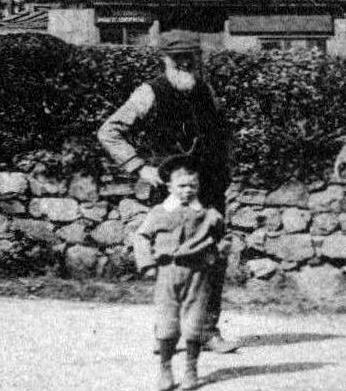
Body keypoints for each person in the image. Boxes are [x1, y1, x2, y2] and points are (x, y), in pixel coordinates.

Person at [99, 29, 240, 353]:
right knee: (170, 263)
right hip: (170, 196)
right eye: (178, 58)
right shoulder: (149, 93)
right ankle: (166, 334)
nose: (186, 63)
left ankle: (207, 330)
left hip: (208, 192)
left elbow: (222, 135)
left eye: (192, 57)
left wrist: (223, 172)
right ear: (165, 60)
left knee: (212, 259)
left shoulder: (207, 91)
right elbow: (109, 132)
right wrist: (138, 166)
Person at [131, 162, 226, 391]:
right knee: (167, 322)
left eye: (193, 186)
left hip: (197, 275)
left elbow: (223, 238)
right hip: (167, 273)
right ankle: (165, 369)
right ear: (170, 187)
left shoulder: (207, 214)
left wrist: (215, 254)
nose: (187, 190)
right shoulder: (159, 212)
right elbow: (141, 237)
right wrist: (147, 264)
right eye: (181, 186)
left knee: (194, 323)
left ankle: (191, 369)